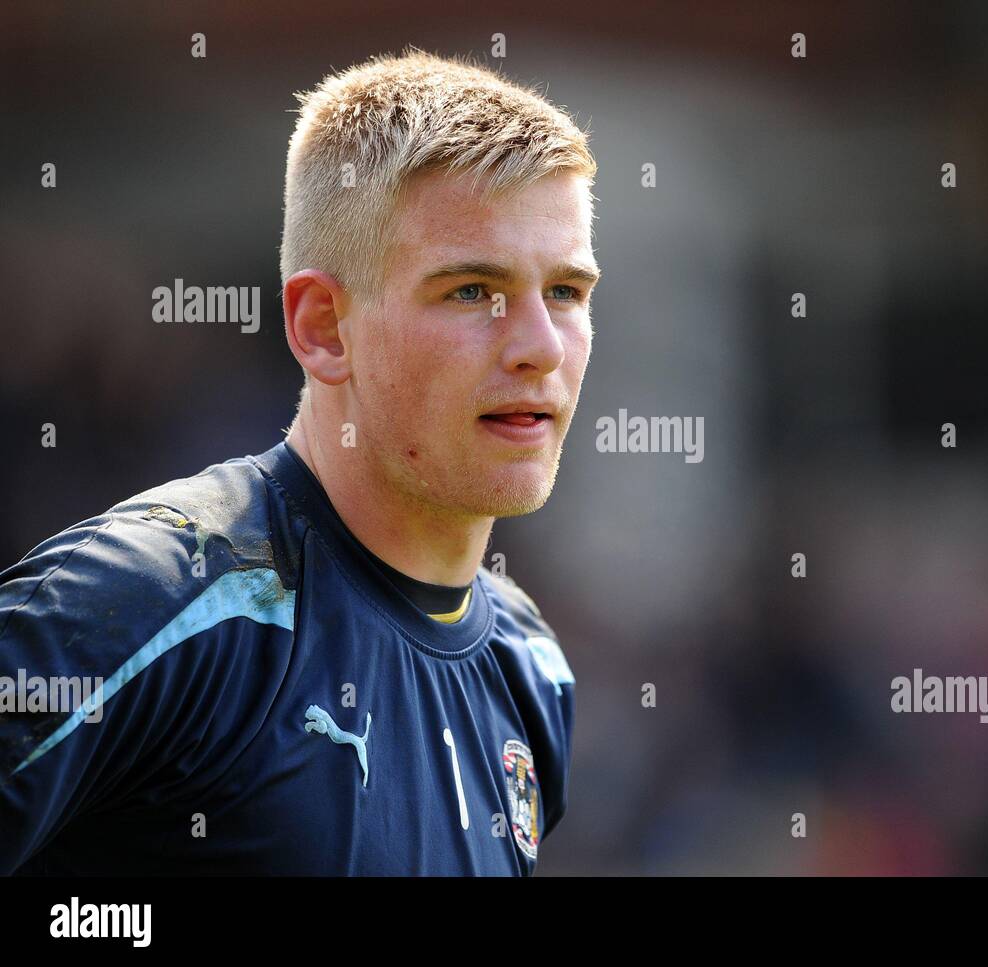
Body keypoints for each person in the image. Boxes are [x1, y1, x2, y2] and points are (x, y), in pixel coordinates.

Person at [0, 48, 598, 875]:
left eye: (566, 292)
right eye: (471, 291)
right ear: (322, 327)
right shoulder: (153, 605)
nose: (540, 346)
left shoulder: (530, 668)